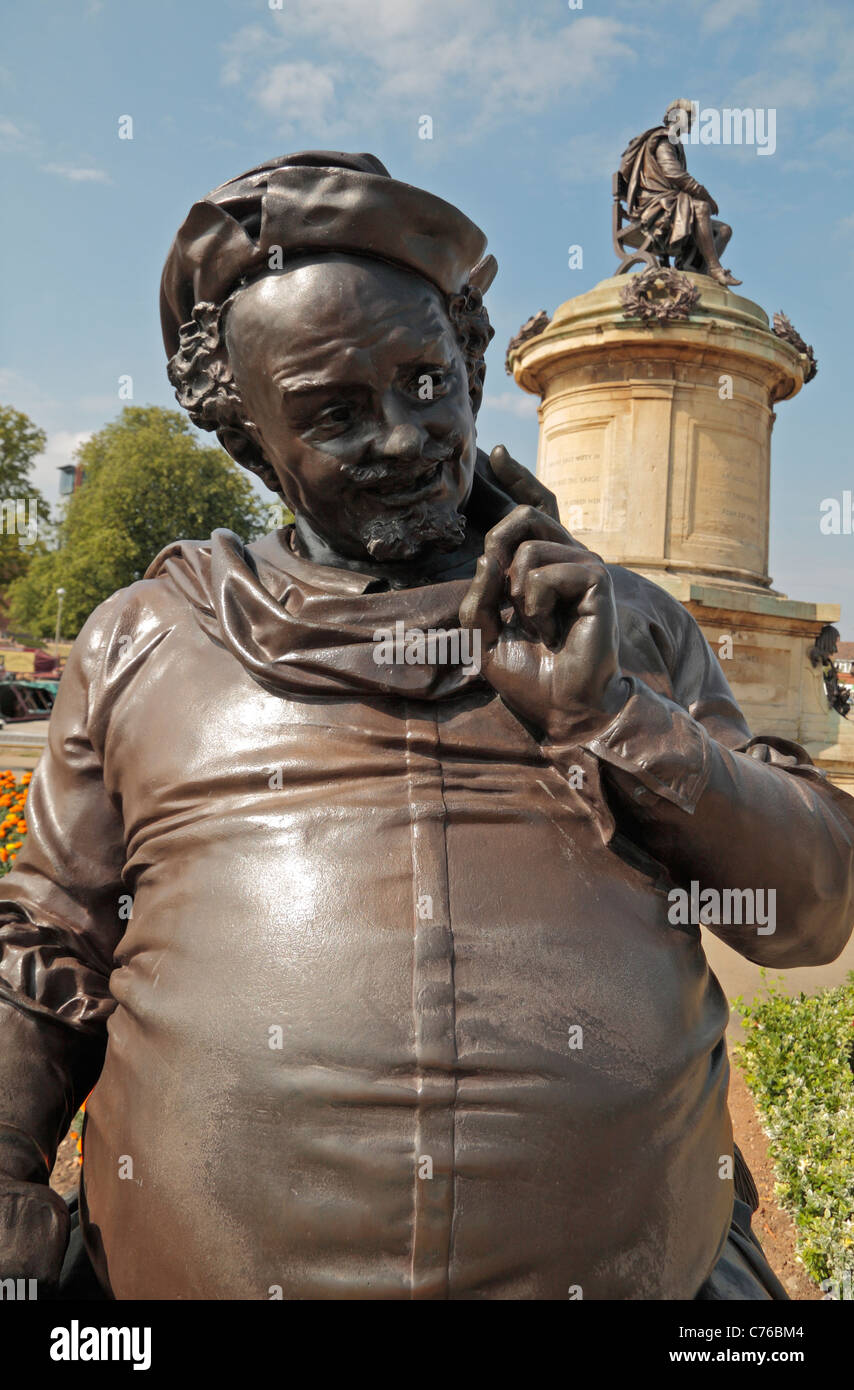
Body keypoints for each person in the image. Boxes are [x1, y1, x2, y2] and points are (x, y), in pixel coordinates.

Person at [0, 152, 850, 1300]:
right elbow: (45, 941)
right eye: (334, 413)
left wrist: (612, 718)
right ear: (249, 438)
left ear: (469, 363)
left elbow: (809, 910)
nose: (402, 437)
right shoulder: (149, 638)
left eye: (424, 382)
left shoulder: (621, 627)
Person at [620, 98, 742, 287]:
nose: (691, 124)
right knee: (701, 208)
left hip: (670, 203)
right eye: (689, 118)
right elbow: (673, 173)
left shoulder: (675, 142)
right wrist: (704, 194)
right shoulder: (664, 138)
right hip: (654, 205)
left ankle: (694, 272)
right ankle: (716, 269)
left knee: (723, 231)